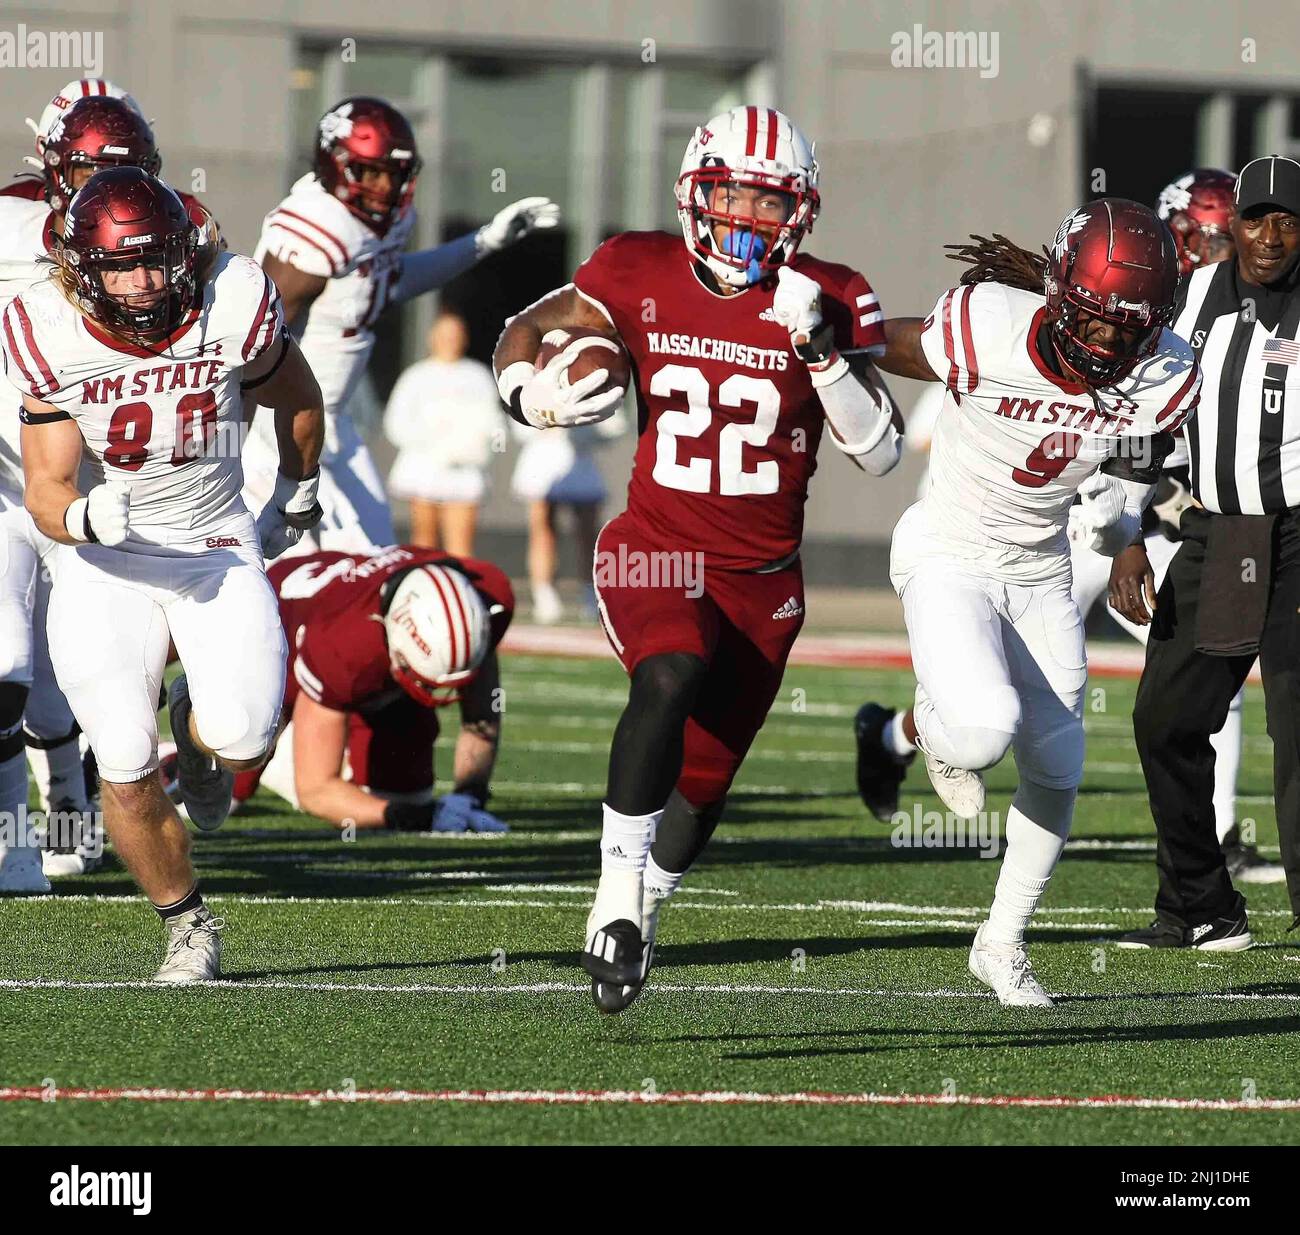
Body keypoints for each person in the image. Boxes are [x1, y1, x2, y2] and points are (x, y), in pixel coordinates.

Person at [494, 104, 902, 1013]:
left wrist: (823, 353)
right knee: (668, 674)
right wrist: (527, 394)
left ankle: (646, 908)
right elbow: (526, 322)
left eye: (768, 204)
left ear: (801, 211)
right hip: (657, 545)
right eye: (730, 196)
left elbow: (880, 452)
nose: (745, 220)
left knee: (705, 784)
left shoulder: (828, 294)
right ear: (693, 191)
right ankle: (612, 900)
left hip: (764, 582)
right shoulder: (632, 267)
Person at [860, 200, 1200, 1005]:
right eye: (1095, 320)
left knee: (1059, 764)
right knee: (981, 732)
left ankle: (1001, 943)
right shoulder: (985, 323)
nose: (1110, 345)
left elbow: (1128, 467)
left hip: (1041, 566)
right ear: (1056, 294)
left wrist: (1122, 537)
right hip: (950, 551)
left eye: (1130, 329)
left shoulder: (1162, 374)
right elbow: (877, 342)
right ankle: (933, 727)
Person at [4, 167, 325, 981]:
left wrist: (298, 490)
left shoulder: (231, 297)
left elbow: (295, 392)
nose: (145, 284)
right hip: (104, 561)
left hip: (214, 541)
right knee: (118, 748)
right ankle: (187, 925)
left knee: (247, 732)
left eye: (157, 261)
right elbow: (44, 487)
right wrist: (81, 518)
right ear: (82, 268)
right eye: (122, 266)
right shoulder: (46, 325)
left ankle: (199, 731)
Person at [0, 92, 216, 889]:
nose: (116, 183)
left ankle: (68, 815)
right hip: (14, 478)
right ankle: (17, 841)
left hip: (112, 485)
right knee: (7, 667)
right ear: (58, 169)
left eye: (132, 170)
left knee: (79, 680)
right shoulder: (12, 228)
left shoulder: (177, 233)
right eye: (97, 168)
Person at [1069, 169, 1280, 885]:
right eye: (1204, 235)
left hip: (1167, 523)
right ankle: (896, 736)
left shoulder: (1227, 305)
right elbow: (1134, 416)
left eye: (1223, 234)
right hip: (1072, 514)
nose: (1216, 247)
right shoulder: (1137, 294)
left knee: (1212, 690)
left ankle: (1217, 844)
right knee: (1003, 682)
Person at [1111, 156, 1300, 949]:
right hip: (1217, 534)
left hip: (1296, 539)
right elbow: (1147, 404)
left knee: (1296, 740)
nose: (1269, 235)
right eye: (1254, 219)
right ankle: (1202, 905)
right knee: (1164, 719)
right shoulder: (1192, 296)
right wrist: (1126, 532)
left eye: (1288, 220)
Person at [242, 95, 558, 556]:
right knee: (322, 580)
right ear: (336, 164)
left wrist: (484, 242)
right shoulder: (318, 225)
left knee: (378, 563)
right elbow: (252, 344)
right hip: (280, 427)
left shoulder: (378, 224)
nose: (383, 188)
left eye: (393, 174)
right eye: (369, 172)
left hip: (332, 422)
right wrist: (224, 443)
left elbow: (391, 283)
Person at [229, 545, 512, 833]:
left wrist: (469, 797)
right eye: (424, 679)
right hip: (280, 626)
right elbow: (316, 791)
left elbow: (481, 717)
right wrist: (419, 818)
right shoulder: (344, 649)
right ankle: (284, 755)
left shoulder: (485, 594)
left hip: (357, 607)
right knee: (222, 792)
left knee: (402, 794)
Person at [383, 310, 502, 555]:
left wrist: (485, 448)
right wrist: (433, 443)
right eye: (444, 335)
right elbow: (396, 423)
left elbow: (495, 425)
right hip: (425, 470)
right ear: (432, 338)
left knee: (461, 546)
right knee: (424, 541)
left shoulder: (478, 376)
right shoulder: (415, 376)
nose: (450, 341)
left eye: (455, 335)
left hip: (464, 471)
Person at [510, 401, 622, 623]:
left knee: (588, 536)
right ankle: (544, 595)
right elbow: (519, 421)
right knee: (542, 529)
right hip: (540, 465)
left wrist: (582, 426)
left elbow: (614, 426)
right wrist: (548, 421)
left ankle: (592, 594)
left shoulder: (590, 376)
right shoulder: (534, 377)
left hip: (581, 464)